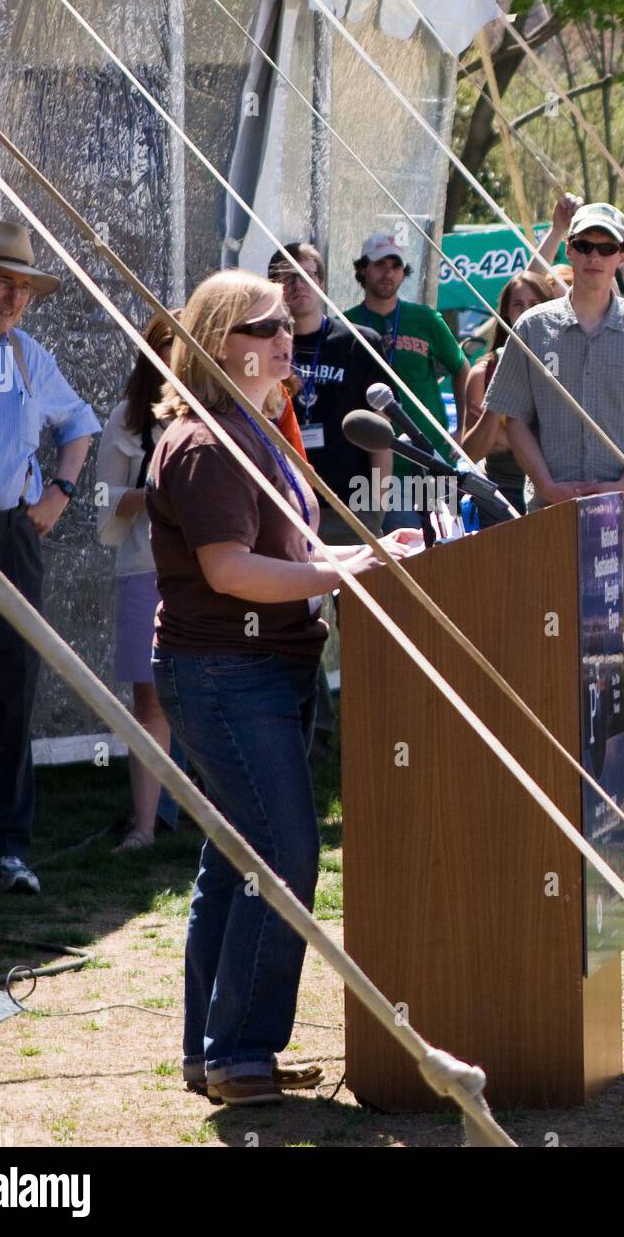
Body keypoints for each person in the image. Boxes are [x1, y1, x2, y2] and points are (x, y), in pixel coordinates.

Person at [146, 269, 418, 1104]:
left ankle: (218, 1051)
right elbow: (230, 573)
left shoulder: (255, 430)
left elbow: (290, 561)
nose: (283, 336)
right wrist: (350, 576)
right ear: (219, 341)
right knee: (282, 852)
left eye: (283, 325)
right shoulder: (205, 444)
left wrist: (364, 554)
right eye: (262, 327)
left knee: (238, 862)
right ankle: (239, 1052)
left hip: (266, 670)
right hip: (228, 674)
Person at [485, 202, 624, 843]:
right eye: (584, 245)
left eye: (607, 246)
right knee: (548, 653)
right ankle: (554, 790)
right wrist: (545, 484)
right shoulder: (531, 326)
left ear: (623, 257)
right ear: (569, 253)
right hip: (547, 517)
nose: (594, 256)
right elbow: (511, 415)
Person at [0, 221, 99, 892]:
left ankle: (1, 849)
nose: (15, 297)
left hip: (9, 539)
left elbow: (82, 424)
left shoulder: (30, 356)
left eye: (25, 287)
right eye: (3, 282)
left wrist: (60, 491)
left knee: (8, 695)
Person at [96, 311, 181, 851]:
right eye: (172, 348)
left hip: (213, 574)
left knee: (212, 692)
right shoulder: (124, 422)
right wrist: (158, 497)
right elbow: (104, 508)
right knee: (149, 701)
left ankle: (220, 828)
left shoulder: (220, 414)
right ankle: (145, 827)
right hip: (144, 570)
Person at [268, 242, 391, 543]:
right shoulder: (264, 345)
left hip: (348, 506)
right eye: (287, 277)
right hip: (286, 505)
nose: (298, 285)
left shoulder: (359, 343)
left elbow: (382, 433)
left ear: (320, 282)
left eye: (306, 275)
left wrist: (376, 505)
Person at [346, 232, 469, 530]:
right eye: (379, 264)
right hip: (375, 466)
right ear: (363, 269)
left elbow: (462, 367)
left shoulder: (425, 319)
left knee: (445, 546)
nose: (387, 272)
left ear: (404, 272)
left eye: (395, 265)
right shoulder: (346, 324)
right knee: (400, 547)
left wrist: (462, 429)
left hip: (431, 457)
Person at [462, 271, 557, 522]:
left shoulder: (563, 367)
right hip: (500, 496)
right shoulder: (483, 372)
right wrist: (499, 390)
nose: (526, 312)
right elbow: (470, 452)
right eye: (518, 304)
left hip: (554, 494)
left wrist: (503, 437)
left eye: (535, 305)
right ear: (505, 312)